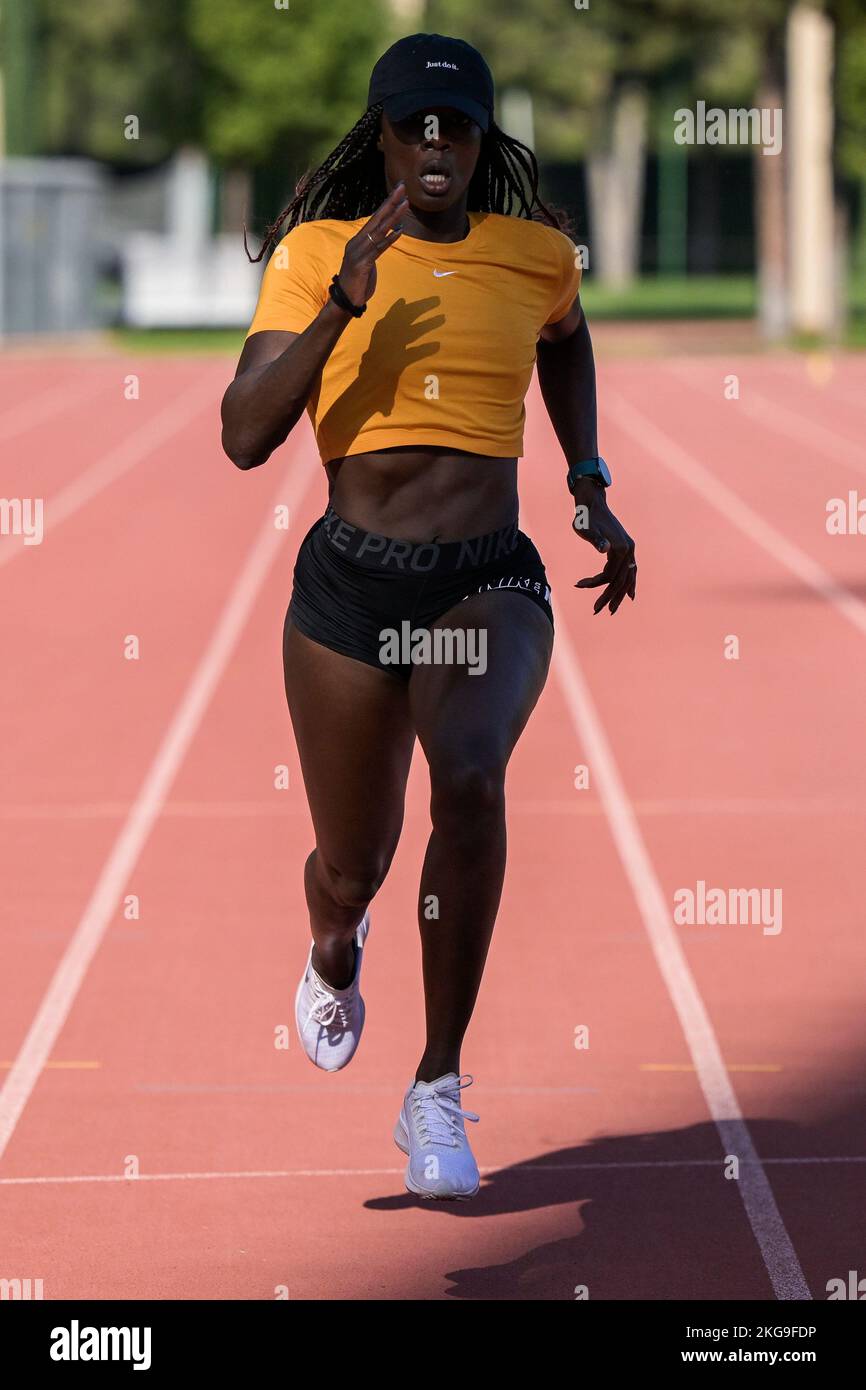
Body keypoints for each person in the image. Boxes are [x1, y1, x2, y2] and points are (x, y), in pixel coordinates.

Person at [221, 32, 637, 1201]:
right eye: (415, 126)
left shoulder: (533, 257)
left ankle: (436, 1086)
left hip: (482, 584)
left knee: (469, 777)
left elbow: (567, 340)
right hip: (351, 594)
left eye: (457, 126)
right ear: (385, 137)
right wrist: (341, 310)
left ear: (482, 136)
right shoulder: (318, 254)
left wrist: (588, 478)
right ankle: (331, 946)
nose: (437, 145)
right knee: (351, 864)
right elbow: (244, 435)